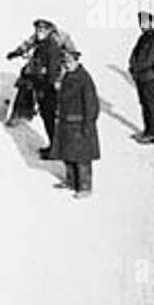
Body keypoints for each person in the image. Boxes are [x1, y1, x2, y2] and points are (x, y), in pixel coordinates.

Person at [6, 18, 64, 155]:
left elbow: (53, 69)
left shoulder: (53, 44)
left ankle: (56, 148)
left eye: (43, 30)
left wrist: (49, 87)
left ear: (50, 30)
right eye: (38, 29)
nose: (39, 32)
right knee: (26, 84)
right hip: (41, 81)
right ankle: (21, 111)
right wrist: (17, 52)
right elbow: (28, 43)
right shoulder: (42, 40)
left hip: (48, 86)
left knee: (50, 116)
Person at [53, 45, 100, 199]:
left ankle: (85, 187)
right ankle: (71, 182)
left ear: (76, 60)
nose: (66, 64)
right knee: (68, 155)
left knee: (82, 158)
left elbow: (92, 104)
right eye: (64, 62)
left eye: (69, 61)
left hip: (80, 124)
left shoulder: (83, 78)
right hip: (67, 123)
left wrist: (88, 125)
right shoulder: (68, 75)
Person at [127, 10, 154, 143]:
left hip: (151, 77)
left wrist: (136, 68)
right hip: (143, 78)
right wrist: (132, 66)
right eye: (141, 23)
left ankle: (152, 134)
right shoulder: (143, 37)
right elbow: (134, 54)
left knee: (151, 105)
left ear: (150, 22)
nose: (142, 25)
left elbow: (151, 58)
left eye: (145, 22)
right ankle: (147, 130)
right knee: (145, 105)